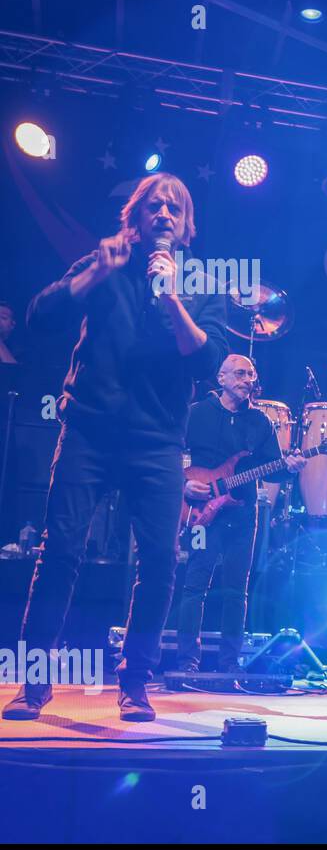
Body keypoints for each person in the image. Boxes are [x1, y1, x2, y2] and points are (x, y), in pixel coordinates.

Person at [3, 173, 228, 723]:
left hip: (157, 442)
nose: (165, 214)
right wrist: (93, 274)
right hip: (89, 431)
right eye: (154, 206)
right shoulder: (103, 262)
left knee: (158, 561)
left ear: (188, 225)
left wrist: (170, 295)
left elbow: (207, 361)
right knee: (61, 551)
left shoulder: (200, 283)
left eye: (175, 208)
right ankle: (35, 682)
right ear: (135, 217)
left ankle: (135, 682)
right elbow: (38, 318)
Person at [175, 355, 306, 673]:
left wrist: (289, 469)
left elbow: (273, 469)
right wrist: (185, 483)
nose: (248, 378)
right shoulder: (196, 414)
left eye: (251, 373)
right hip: (200, 511)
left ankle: (229, 663)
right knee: (195, 585)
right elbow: (172, 453)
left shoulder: (260, 422)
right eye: (240, 373)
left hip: (242, 512)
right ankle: (187, 662)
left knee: (237, 589)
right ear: (221, 378)